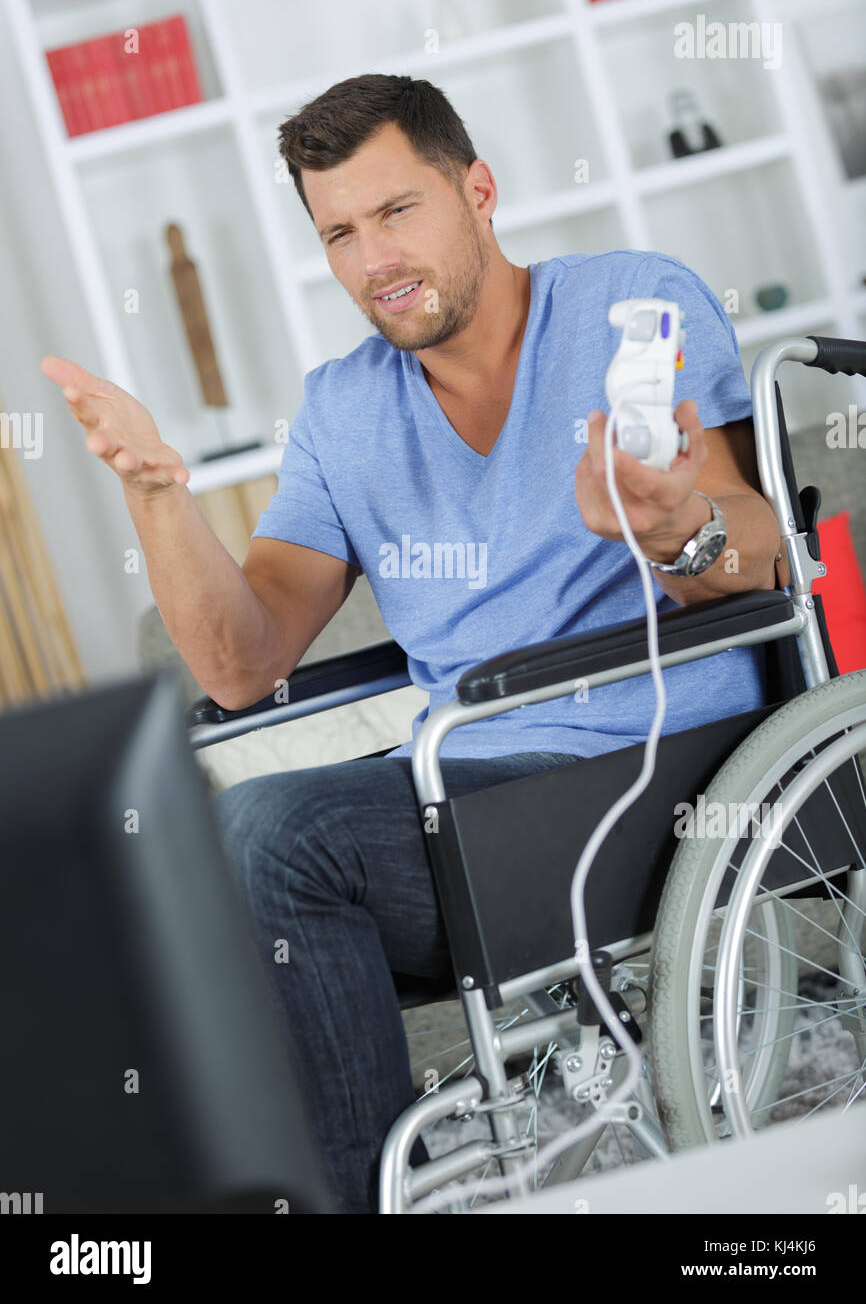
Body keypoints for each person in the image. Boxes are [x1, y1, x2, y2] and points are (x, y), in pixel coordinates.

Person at [42, 74, 783, 1214]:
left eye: (396, 211)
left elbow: (757, 550)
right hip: (470, 801)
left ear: (476, 190)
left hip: (658, 771)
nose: (372, 257)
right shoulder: (343, 411)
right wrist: (157, 493)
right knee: (167, 891)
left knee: (277, 836)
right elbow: (242, 664)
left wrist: (670, 528)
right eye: (338, 231)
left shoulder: (629, 308)